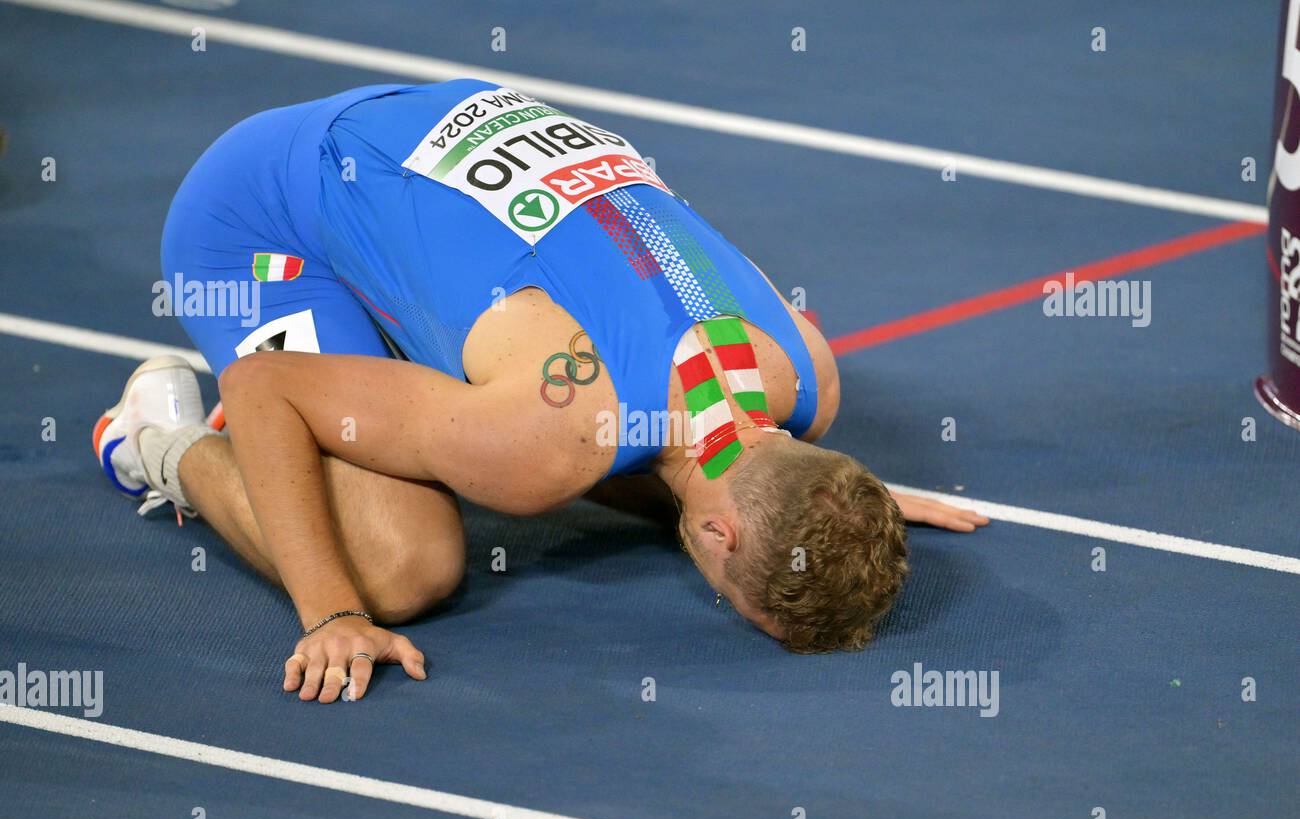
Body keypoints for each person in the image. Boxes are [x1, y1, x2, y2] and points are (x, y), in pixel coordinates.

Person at [93, 79, 987, 703]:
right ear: (719, 534)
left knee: (552, 439)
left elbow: (657, 437)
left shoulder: (805, 374)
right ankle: (157, 440)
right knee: (406, 566)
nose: (716, 588)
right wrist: (329, 612)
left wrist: (829, 501)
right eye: (729, 587)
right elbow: (260, 387)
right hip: (262, 217)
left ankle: (381, 381)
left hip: (431, 134)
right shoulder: (552, 432)